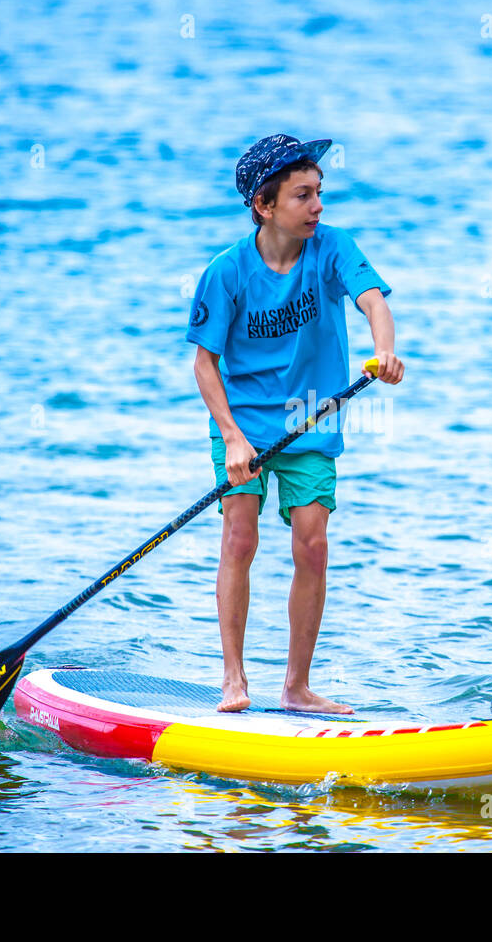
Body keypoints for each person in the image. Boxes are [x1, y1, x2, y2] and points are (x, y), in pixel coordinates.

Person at [186, 133, 404, 713]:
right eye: (303, 195)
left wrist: (384, 352)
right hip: (243, 424)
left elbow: (374, 302)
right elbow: (204, 363)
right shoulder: (226, 272)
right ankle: (234, 681)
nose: (318, 206)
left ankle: (296, 688)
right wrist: (232, 437)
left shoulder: (332, 248)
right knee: (240, 537)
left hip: (312, 418)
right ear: (265, 204)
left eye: (319, 192)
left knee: (312, 546)